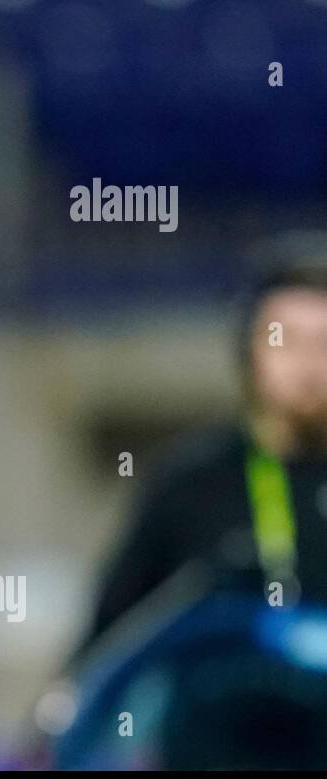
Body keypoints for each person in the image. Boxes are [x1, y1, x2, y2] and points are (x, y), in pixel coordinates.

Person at [74, 232, 327, 660]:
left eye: (323, 344)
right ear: (250, 351)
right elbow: (110, 644)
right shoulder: (194, 482)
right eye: (287, 340)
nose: (307, 365)